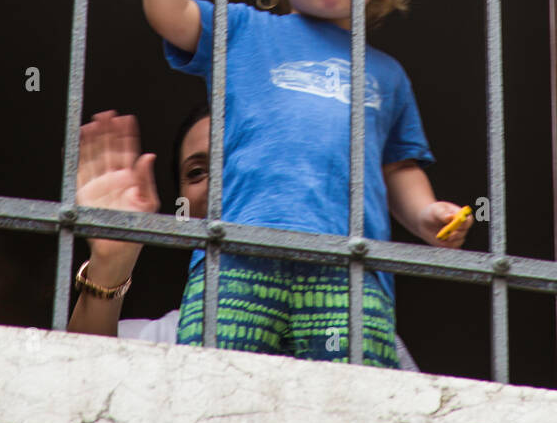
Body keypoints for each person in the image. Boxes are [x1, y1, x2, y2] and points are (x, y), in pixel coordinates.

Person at [139, 0, 473, 368]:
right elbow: (168, 11)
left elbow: (398, 166)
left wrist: (427, 215)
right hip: (238, 256)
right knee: (215, 383)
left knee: (350, 399)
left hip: (349, 269)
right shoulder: (245, 31)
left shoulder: (387, 73)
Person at [68, 104, 422, 368]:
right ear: (184, 209)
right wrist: (110, 263)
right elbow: (78, 385)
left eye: (243, 158)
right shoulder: (162, 341)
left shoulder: (365, 336)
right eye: (197, 172)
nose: (224, 180)